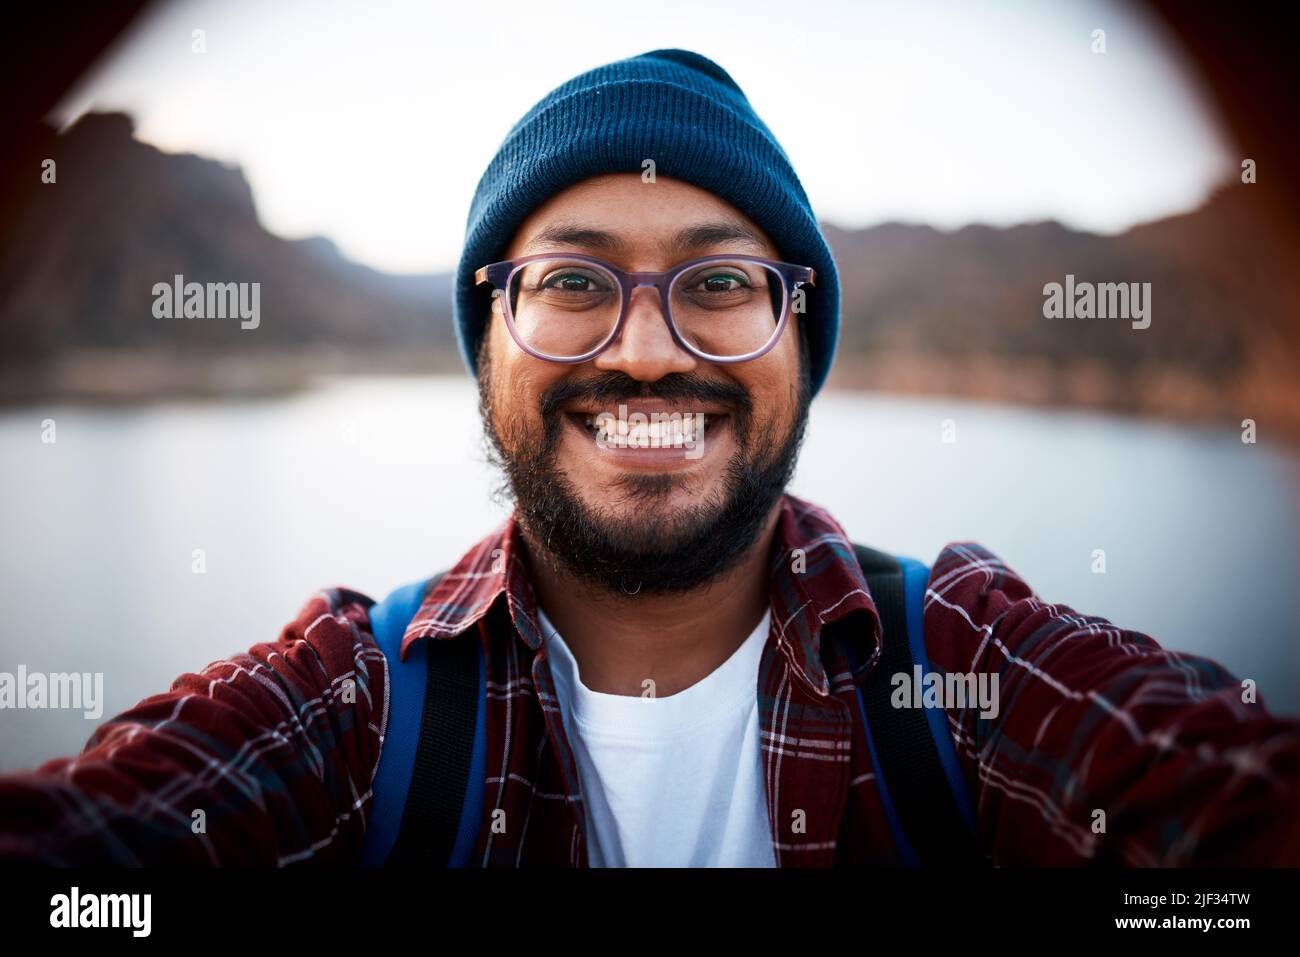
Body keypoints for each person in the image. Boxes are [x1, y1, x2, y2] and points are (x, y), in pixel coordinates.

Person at [1, 48, 1296, 868]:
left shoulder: (958, 668)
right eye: (571, 279)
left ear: (801, 338)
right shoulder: (361, 705)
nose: (644, 353)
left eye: (720, 282)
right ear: (490, 338)